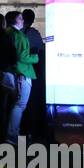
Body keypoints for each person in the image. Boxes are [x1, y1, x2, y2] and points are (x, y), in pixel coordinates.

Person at [4, 11, 38, 142]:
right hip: (22, 72)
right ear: (15, 20)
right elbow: (22, 56)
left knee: (14, 104)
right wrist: (36, 57)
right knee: (20, 104)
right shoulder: (18, 35)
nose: (23, 20)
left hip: (12, 71)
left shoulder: (8, 33)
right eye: (20, 18)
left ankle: (12, 133)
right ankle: (12, 135)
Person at [21, 9, 46, 139]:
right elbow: (39, 51)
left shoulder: (18, 33)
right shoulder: (34, 34)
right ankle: (32, 129)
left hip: (20, 70)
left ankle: (22, 129)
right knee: (33, 100)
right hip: (32, 70)